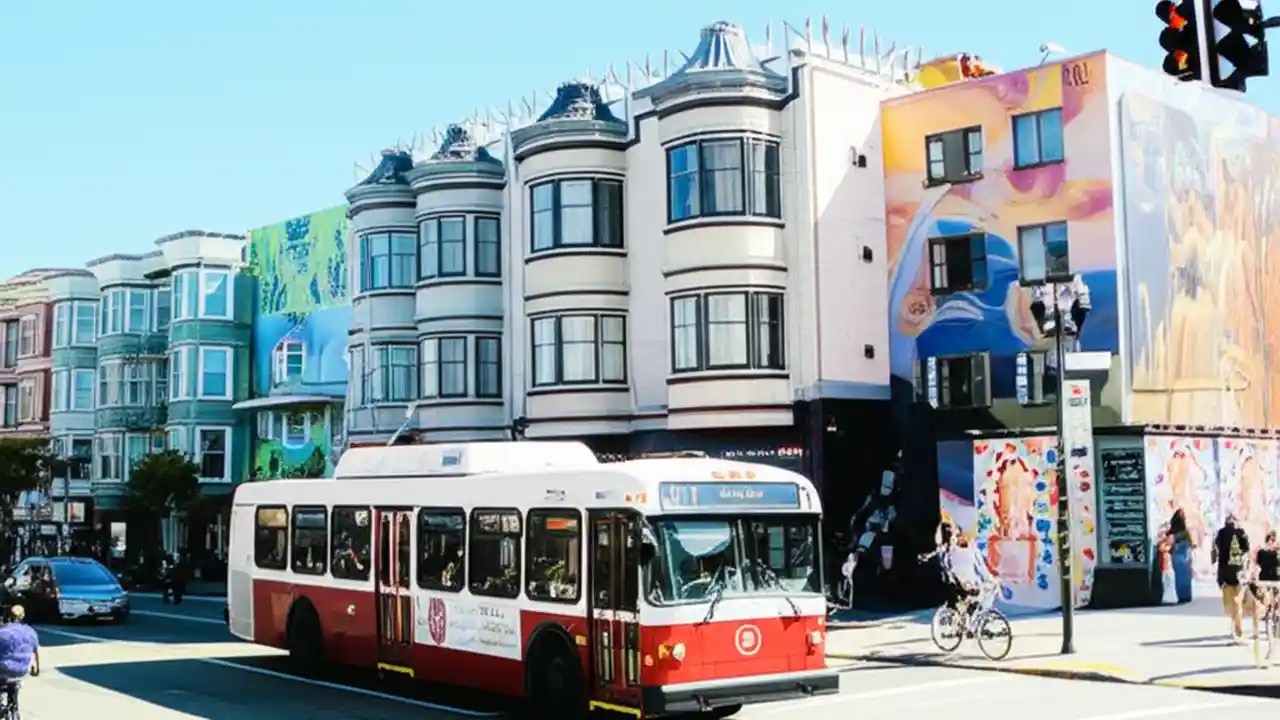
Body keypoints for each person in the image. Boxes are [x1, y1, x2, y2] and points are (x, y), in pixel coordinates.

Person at [1213, 513, 1251, 643]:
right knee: (1231, 603)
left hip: (1234, 572)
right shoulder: (1224, 534)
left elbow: (1246, 549)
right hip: (1231, 572)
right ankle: (1237, 626)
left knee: (1235, 602)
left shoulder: (1235, 533)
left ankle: (1238, 630)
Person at [0, 605, 40, 715]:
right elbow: (35, 653)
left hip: (3, 670)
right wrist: (36, 670)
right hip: (21, 672)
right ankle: (13, 709)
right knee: (14, 687)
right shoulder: (30, 632)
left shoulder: (2, 632)